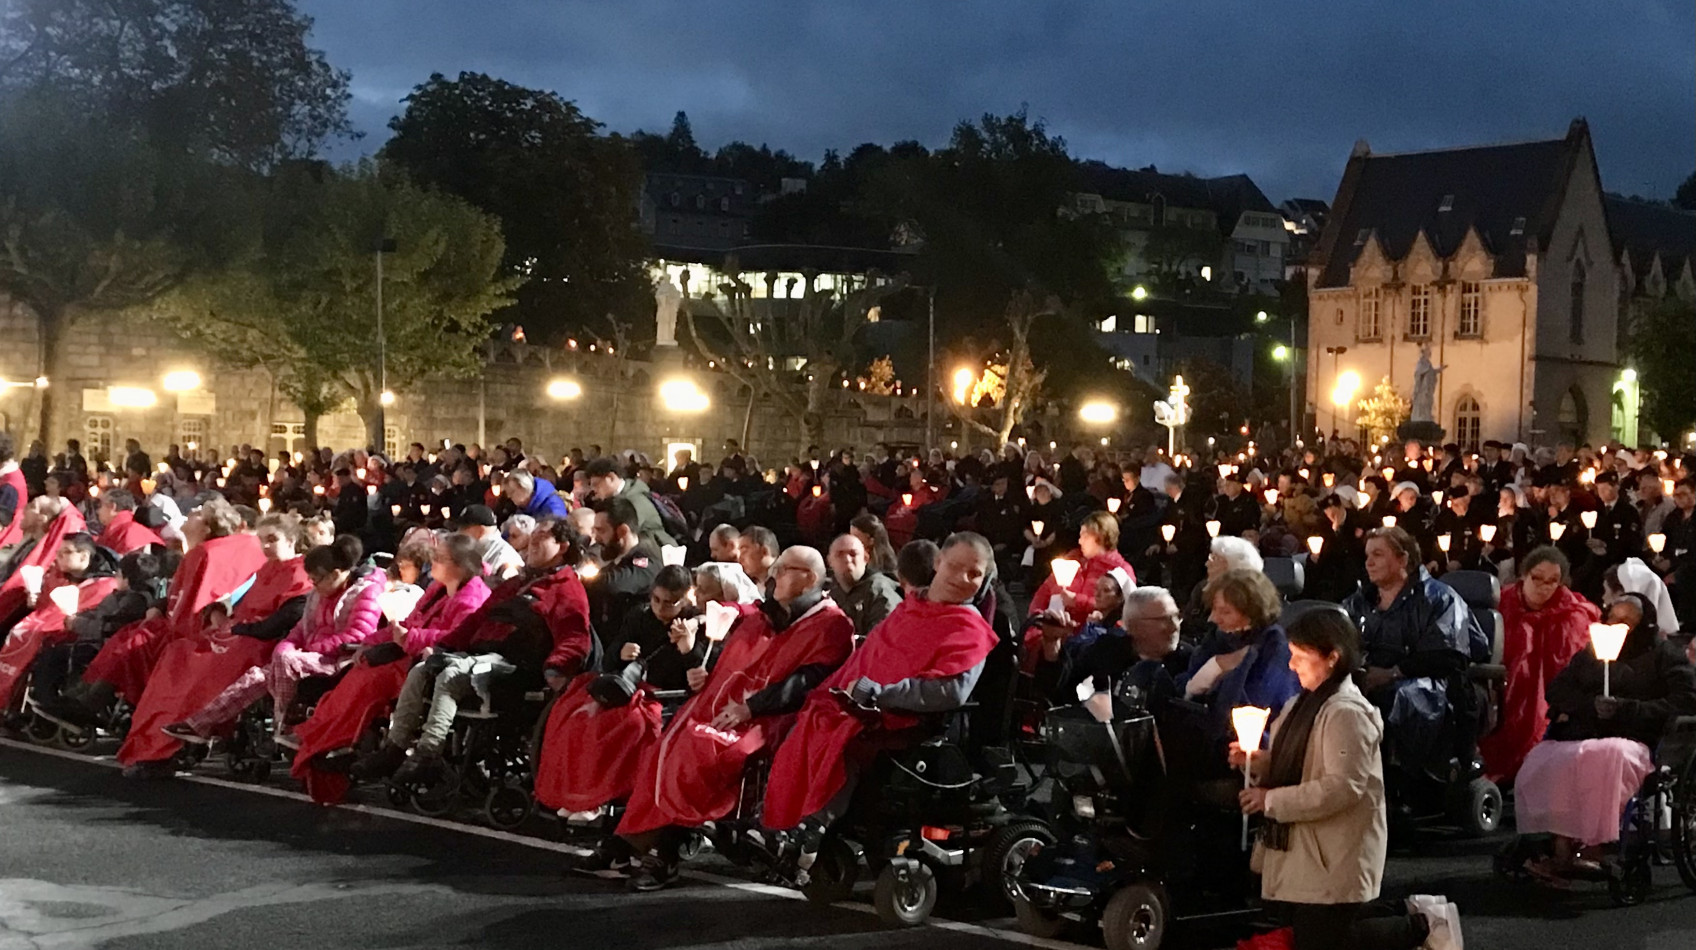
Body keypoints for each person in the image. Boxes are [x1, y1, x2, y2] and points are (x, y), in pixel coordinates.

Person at [611, 546, 854, 891]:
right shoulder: (774, 614)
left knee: (699, 745)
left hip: (778, 717)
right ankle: (646, 841)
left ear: (809, 579)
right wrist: (704, 668)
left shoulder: (831, 625)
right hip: (739, 706)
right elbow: (739, 640)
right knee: (670, 740)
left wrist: (750, 708)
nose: (774, 575)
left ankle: (670, 845)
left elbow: (802, 685)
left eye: (784, 569)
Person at [761, 533, 1003, 876]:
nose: (961, 578)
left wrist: (884, 693)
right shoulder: (911, 607)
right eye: (954, 567)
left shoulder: (970, 627)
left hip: (907, 718)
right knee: (806, 719)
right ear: (937, 563)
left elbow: (950, 692)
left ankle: (811, 827)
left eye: (974, 574)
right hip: (864, 701)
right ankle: (784, 822)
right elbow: (874, 654)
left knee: (840, 736)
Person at [1233, 608, 1456, 950]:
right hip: (1309, 848)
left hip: (1333, 850)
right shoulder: (1301, 705)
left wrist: (1271, 800)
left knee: (1326, 938)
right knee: (1321, 932)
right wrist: (1260, 762)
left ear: (1332, 658)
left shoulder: (1345, 714)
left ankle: (1422, 926)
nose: (1292, 666)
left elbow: (1341, 787)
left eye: (1300, 657)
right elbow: (1303, 764)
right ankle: (1415, 914)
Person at [355, 519, 593, 783]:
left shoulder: (566, 589)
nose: (533, 542)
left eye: (542, 536)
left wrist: (557, 666)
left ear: (562, 546)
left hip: (518, 666)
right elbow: (476, 621)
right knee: (424, 669)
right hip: (484, 655)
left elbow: (575, 636)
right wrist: (442, 647)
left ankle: (428, 753)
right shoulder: (516, 584)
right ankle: (395, 749)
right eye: (533, 535)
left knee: (452, 674)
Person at [289, 534, 492, 803]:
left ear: (459, 565)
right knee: (358, 671)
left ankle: (337, 741)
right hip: (407, 652)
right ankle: (325, 735)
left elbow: (454, 638)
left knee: (368, 684)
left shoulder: (472, 597)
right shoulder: (437, 589)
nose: (433, 563)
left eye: (439, 558)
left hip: (426, 661)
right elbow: (409, 622)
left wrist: (408, 638)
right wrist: (371, 641)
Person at [1517, 593, 1696, 883]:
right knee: (1547, 758)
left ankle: (1594, 848)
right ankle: (1560, 846)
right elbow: (1558, 690)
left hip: (1638, 739)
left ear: (1644, 625)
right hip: (1587, 734)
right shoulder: (1592, 653)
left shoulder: (1664, 656)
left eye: (1626, 621)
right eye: (1612, 618)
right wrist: (1590, 705)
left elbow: (1684, 701)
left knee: (1604, 757)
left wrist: (1628, 709)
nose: (1615, 625)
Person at [118, 512, 315, 776]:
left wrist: (241, 627)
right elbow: (237, 601)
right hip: (237, 631)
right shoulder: (266, 569)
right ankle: (147, 740)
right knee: (177, 653)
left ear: (291, 539)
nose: (266, 546)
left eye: (273, 539)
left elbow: (284, 619)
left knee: (200, 673)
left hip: (260, 641)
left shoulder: (301, 573)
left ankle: (167, 748)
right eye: (262, 540)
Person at [44, 500, 266, 729]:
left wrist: (167, 617)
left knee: (134, 643)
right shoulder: (197, 552)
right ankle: (85, 693)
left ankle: (92, 701)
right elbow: (178, 593)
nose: (190, 513)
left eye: (198, 513)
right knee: (129, 635)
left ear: (207, 527)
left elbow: (195, 604)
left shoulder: (205, 553)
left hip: (193, 631)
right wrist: (160, 606)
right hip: (173, 618)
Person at [535, 565, 705, 847]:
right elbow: (609, 661)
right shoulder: (639, 615)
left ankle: (598, 800)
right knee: (576, 715)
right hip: (629, 688)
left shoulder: (696, 624)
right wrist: (621, 653)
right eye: (656, 600)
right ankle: (577, 794)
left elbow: (701, 673)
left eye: (670, 602)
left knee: (625, 725)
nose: (661, 608)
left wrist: (688, 648)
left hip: (667, 696)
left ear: (686, 598)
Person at [161, 535, 382, 747]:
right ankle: (200, 723)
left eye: (318, 579)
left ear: (335, 574)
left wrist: (308, 649)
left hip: (340, 659)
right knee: (256, 677)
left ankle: (284, 722)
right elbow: (301, 629)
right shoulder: (318, 596)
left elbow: (358, 634)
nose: (314, 585)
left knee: (286, 661)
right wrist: (286, 645)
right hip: (305, 657)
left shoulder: (364, 594)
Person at [1343, 526, 1488, 782]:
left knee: (1399, 698)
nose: (1369, 562)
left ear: (1403, 559)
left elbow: (1448, 655)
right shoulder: (1360, 601)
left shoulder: (1440, 598)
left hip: (1428, 680)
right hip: (1367, 676)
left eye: (1378, 554)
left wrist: (1392, 673)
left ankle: (1397, 781)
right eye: (1367, 555)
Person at [1478, 546, 1600, 783]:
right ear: (1524, 574)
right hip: (1502, 689)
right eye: (1537, 578)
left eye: (1552, 581)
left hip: (1546, 696)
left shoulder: (1572, 615)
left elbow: (1572, 666)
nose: (1544, 587)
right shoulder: (1501, 604)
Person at [1174, 569, 1301, 778]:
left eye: (1225, 612)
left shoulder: (1274, 646)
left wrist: (1229, 673)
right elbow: (1189, 680)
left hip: (1249, 748)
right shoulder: (1222, 638)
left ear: (1251, 611)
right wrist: (1218, 665)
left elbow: (1253, 708)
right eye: (1214, 610)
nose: (1214, 619)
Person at [0, 533, 121, 713]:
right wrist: (34, 600)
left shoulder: (104, 585)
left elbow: (93, 616)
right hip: (51, 626)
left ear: (84, 556)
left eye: (66, 552)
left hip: (82, 635)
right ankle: (11, 699)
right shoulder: (59, 575)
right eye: (59, 552)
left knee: (38, 642)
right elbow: (47, 606)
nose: (58, 557)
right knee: (20, 632)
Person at [1033, 584, 1187, 711]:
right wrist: (1052, 645)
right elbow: (1057, 692)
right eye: (1164, 619)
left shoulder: (1187, 662)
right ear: (1134, 625)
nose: (1174, 627)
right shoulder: (1106, 652)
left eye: (1176, 617)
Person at [586, 498, 662, 646]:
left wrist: (583, 580)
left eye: (601, 530)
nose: (596, 538)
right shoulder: (614, 559)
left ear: (622, 531)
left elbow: (615, 584)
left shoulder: (646, 560)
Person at [584, 457, 674, 546]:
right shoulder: (626, 495)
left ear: (611, 478)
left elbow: (628, 536)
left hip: (657, 550)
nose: (593, 490)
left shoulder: (634, 500)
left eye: (596, 484)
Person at [826, 533, 902, 640]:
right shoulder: (827, 592)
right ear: (829, 561)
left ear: (866, 558)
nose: (847, 560)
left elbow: (882, 640)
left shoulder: (881, 592)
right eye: (840, 554)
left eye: (853, 554)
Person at [454, 504, 524, 581]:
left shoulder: (505, 557)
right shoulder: (475, 549)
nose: (458, 533)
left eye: (463, 528)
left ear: (480, 530)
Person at [503, 469, 569, 520]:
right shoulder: (523, 507)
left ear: (524, 488)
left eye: (512, 492)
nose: (509, 496)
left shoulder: (553, 509)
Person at [737, 526, 779, 590]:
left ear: (764, 551)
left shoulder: (786, 580)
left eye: (744, 551)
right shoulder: (750, 586)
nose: (739, 559)